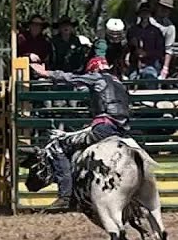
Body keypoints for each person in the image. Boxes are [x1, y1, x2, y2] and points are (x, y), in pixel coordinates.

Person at [28, 56, 131, 209]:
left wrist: (46, 73)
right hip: (122, 130)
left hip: (103, 128)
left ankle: (65, 196)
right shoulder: (119, 82)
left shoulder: (97, 78)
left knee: (58, 145)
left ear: (94, 69)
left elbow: (71, 78)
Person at [128, 2, 167, 80]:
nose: (145, 14)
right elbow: (127, 48)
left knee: (150, 78)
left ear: (150, 14)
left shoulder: (156, 31)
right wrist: (133, 45)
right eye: (143, 12)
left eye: (147, 12)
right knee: (132, 80)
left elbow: (160, 51)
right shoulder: (132, 30)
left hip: (151, 64)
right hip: (135, 65)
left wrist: (146, 54)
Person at [153, 0, 177, 78]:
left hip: (159, 59)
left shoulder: (170, 27)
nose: (164, 10)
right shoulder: (149, 21)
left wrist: (165, 68)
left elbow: (169, 49)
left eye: (167, 8)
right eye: (162, 7)